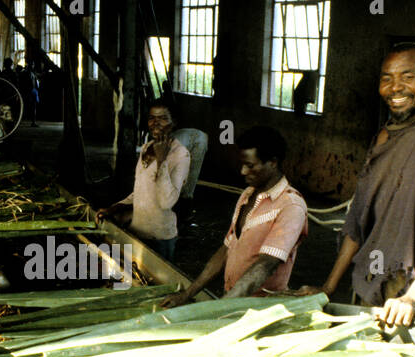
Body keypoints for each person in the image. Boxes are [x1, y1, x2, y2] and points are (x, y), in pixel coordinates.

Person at [294, 43, 415, 326]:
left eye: (408, 77)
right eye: (386, 78)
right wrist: (328, 288)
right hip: (368, 277)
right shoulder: (384, 137)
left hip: (414, 284)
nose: (395, 87)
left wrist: (414, 296)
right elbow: (357, 222)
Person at [162, 126, 308, 306]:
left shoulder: (291, 206)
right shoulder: (247, 195)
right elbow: (226, 250)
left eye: (250, 165)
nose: (243, 172)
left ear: (273, 162)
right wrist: (187, 294)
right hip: (233, 299)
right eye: (242, 164)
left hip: (260, 308)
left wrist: (220, 307)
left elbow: (266, 264)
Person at [96, 101, 191, 262]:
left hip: (160, 238)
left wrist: (162, 162)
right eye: (151, 118)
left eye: (162, 118)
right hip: (137, 232)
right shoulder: (147, 148)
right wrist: (113, 208)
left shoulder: (181, 155)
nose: (155, 123)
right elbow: (140, 191)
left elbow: (167, 202)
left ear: (174, 122)